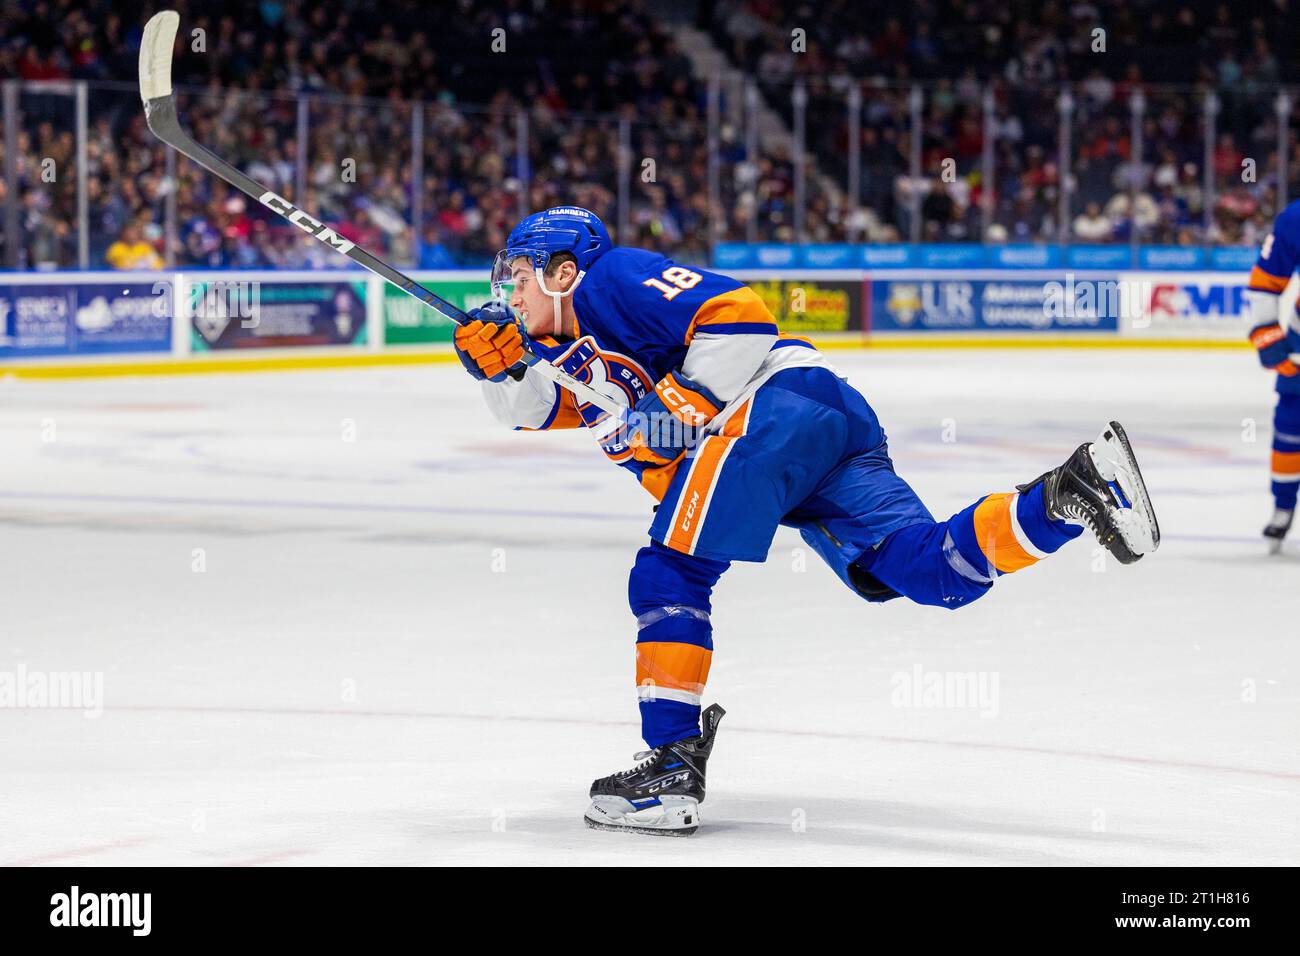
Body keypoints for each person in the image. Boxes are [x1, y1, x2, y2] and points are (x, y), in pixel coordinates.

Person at [453, 206, 1160, 836]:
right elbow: (538, 408)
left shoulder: (613, 281)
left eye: (517, 276)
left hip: (774, 407)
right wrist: (498, 368)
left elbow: (741, 314)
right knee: (931, 571)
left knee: (670, 570)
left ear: (563, 271)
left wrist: (681, 404)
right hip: (824, 421)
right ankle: (1071, 490)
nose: (508, 293)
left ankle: (669, 766)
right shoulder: (565, 350)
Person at [1245, 201, 1300, 552]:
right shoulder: (1295, 219)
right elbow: (1266, 280)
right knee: (1290, 427)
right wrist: (1266, 332)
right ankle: (1282, 507)